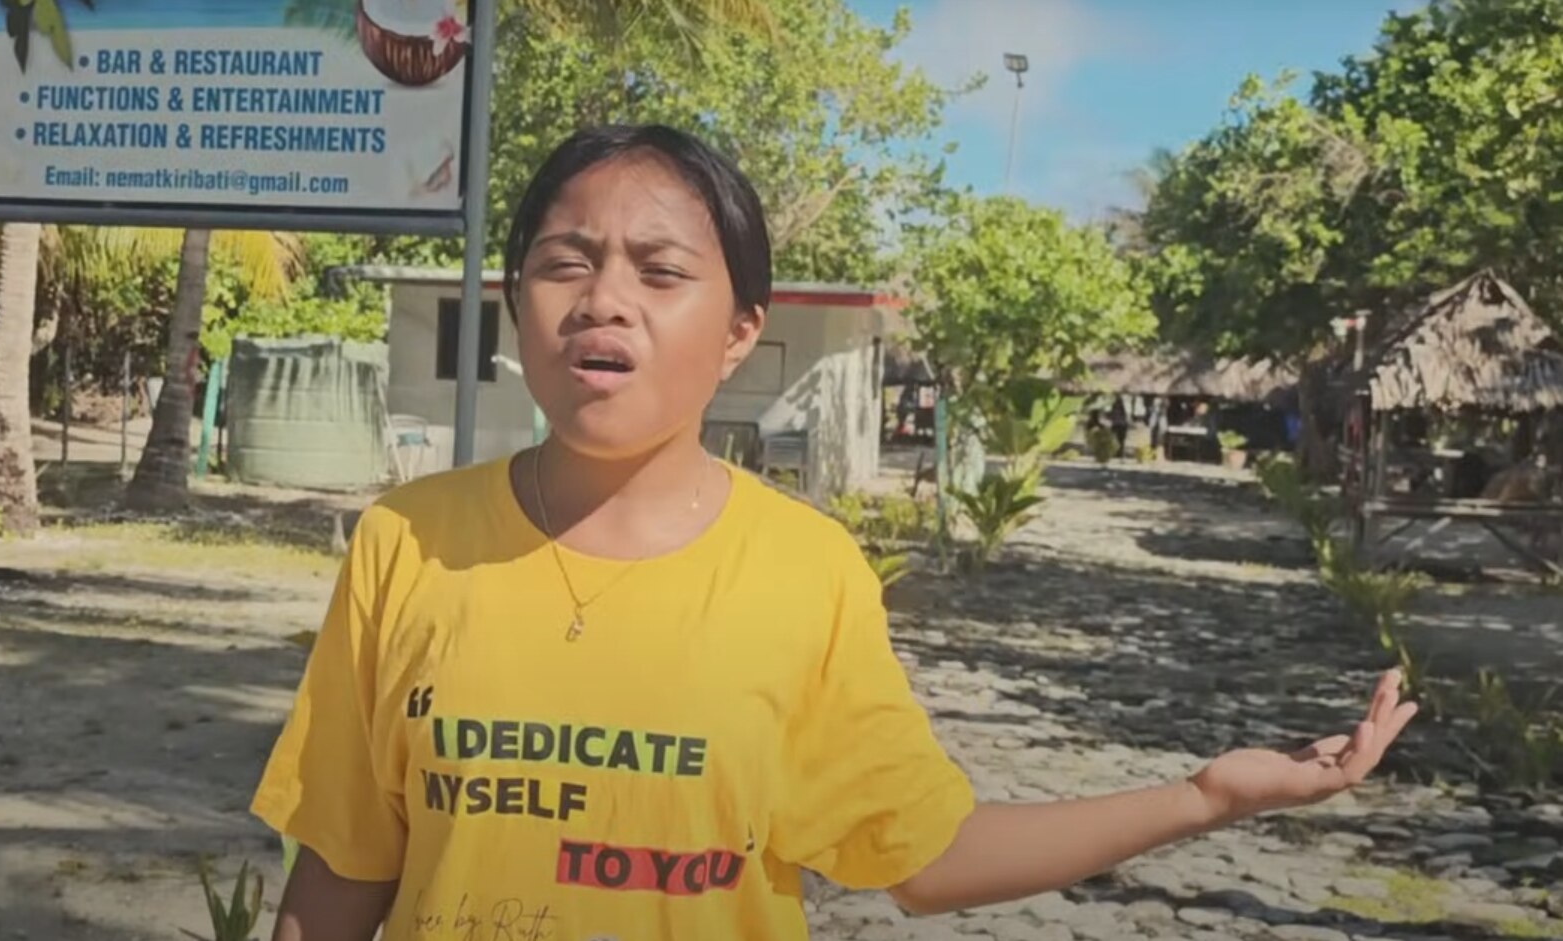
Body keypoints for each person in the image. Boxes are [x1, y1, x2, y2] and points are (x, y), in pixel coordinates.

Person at [251, 124, 1417, 941]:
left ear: (738, 331)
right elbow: (346, 865)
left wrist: (1206, 796)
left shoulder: (806, 572)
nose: (604, 299)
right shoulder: (408, 541)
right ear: (518, 301)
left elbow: (922, 855)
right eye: (566, 263)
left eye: (661, 272)